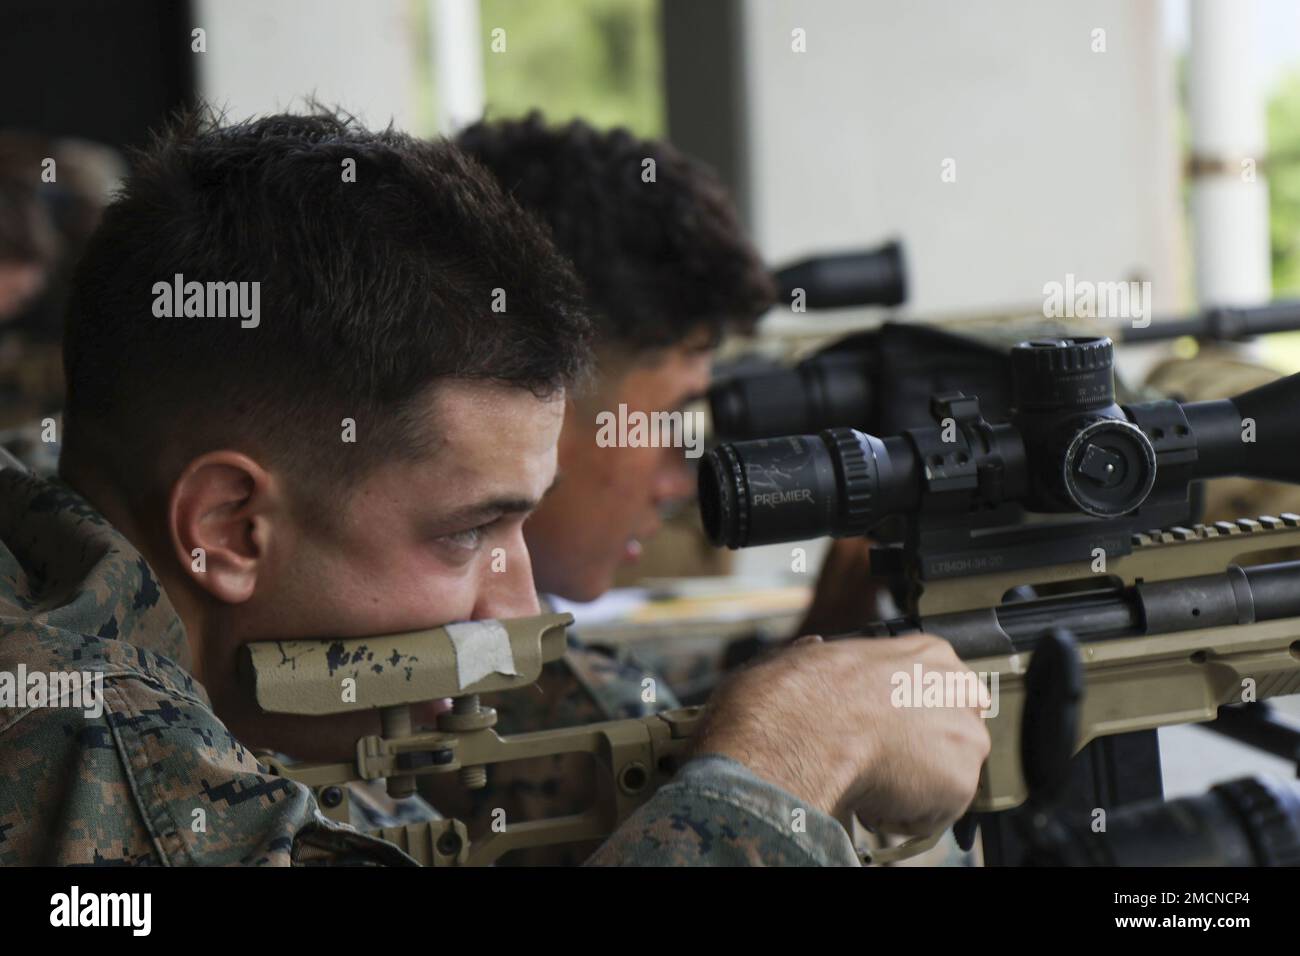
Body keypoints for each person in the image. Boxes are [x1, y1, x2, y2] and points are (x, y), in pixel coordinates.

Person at [0, 108, 988, 867]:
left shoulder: (131, 621)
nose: (517, 603)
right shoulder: (70, 722)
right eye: (471, 532)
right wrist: (791, 762)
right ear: (230, 525)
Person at [401, 115, 986, 864]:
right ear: (540, 392)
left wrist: (830, 651)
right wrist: (802, 754)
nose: (681, 480)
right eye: (675, 418)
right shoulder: (458, 684)